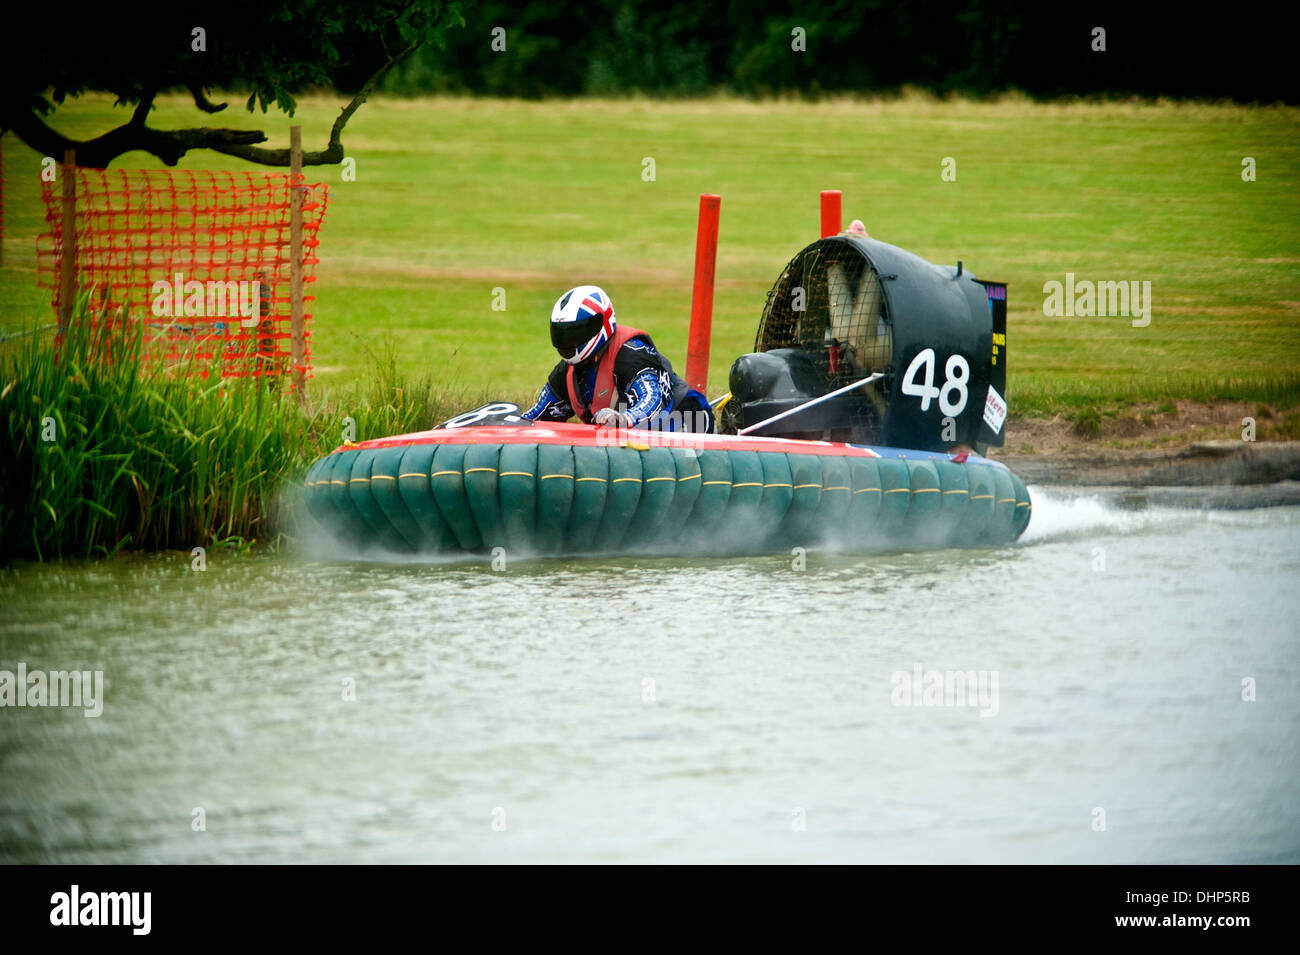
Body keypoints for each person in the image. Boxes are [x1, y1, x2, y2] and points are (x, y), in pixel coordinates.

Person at [522, 285, 715, 433]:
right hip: (635, 445)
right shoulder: (568, 371)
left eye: (575, 333)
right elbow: (537, 416)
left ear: (600, 325)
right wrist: (503, 420)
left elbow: (651, 401)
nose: (567, 342)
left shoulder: (631, 354)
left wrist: (625, 419)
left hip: (687, 424)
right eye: (562, 334)